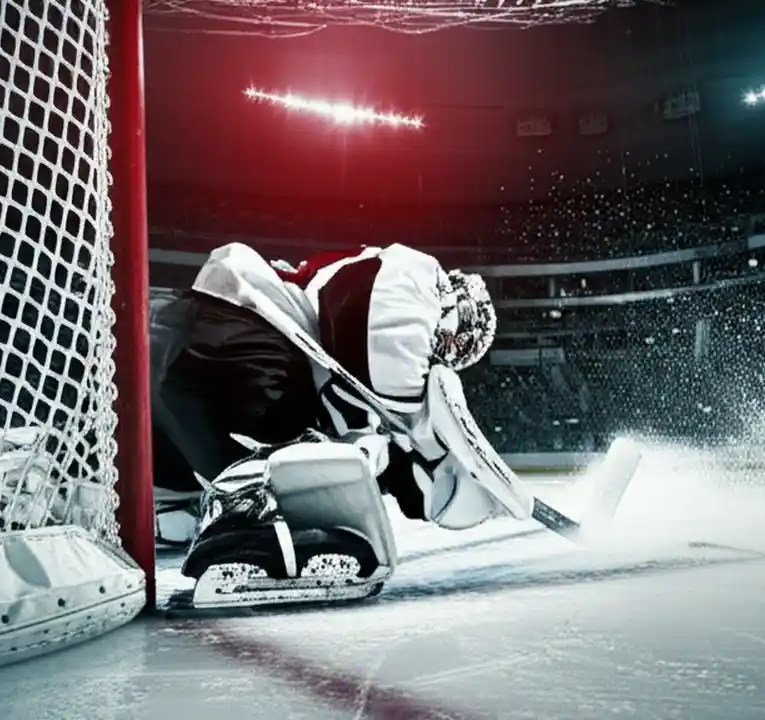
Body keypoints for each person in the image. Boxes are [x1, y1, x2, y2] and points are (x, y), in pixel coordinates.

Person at [152, 242, 515, 606]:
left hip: (184, 353)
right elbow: (381, 366)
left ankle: (168, 515)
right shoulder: (413, 278)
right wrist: (431, 453)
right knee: (312, 454)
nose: (449, 352)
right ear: (455, 308)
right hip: (232, 350)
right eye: (458, 341)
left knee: (331, 445)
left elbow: (363, 413)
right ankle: (248, 520)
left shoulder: (354, 317)